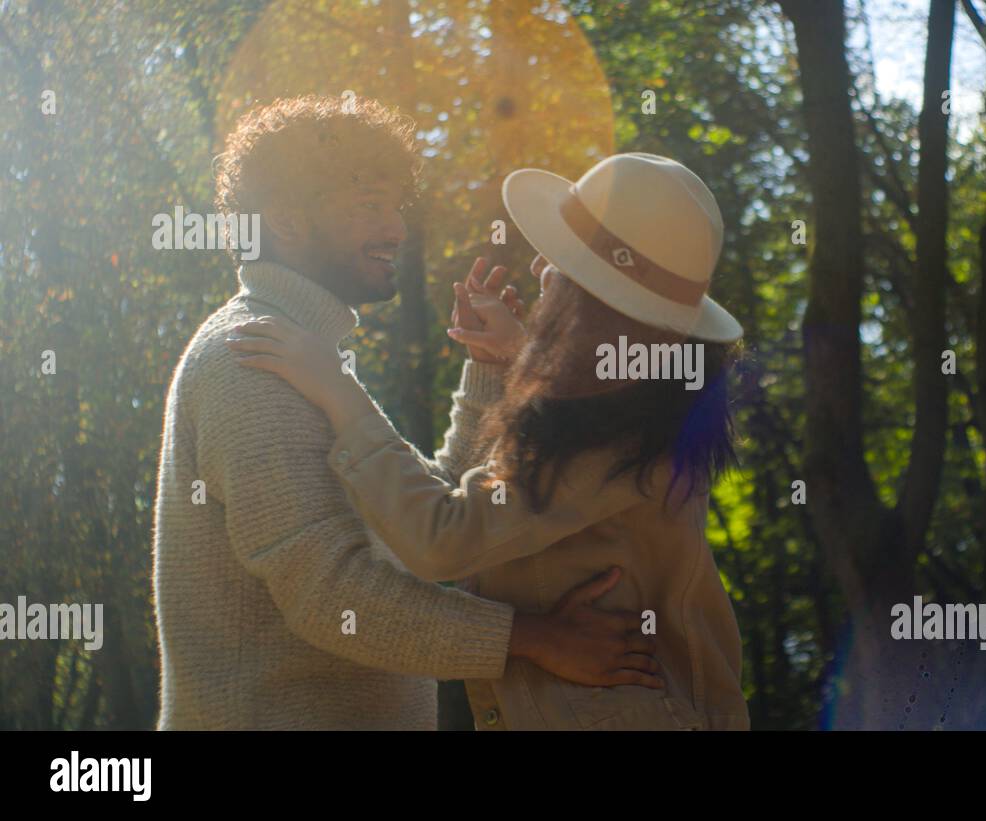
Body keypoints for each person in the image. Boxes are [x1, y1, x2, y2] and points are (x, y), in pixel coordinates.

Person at [152, 95, 658, 730]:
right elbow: (327, 593)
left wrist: (489, 371)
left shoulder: (306, 355)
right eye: (369, 208)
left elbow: (429, 515)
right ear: (286, 221)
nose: (395, 229)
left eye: (395, 207)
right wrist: (534, 639)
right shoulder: (252, 359)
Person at [226, 153, 752, 730]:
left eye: (561, 265)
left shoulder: (614, 439)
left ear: (597, 304)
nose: (539, 269)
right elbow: (480, 504)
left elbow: (439, 537)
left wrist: (335, 386)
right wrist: (501, 366)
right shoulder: (636, 410)